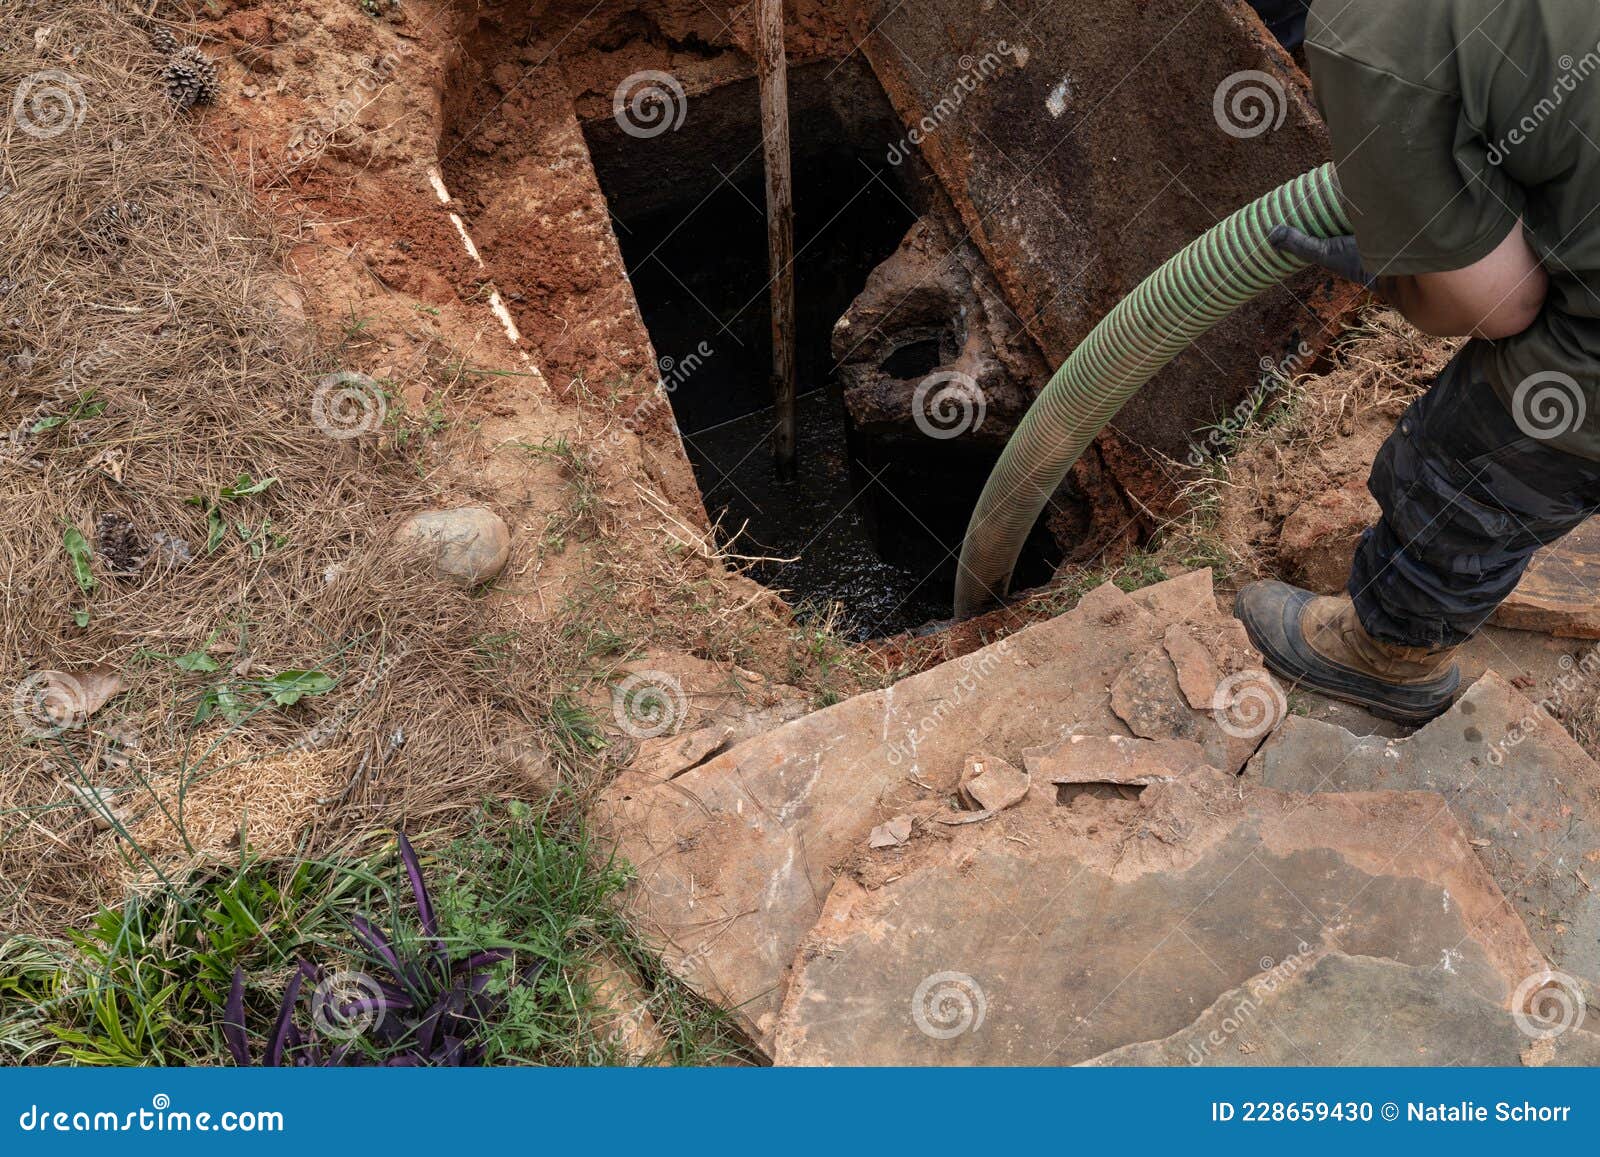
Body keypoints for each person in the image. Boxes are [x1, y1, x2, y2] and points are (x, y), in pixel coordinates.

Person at [1234, 0, 1600, 723]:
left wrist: (1403, 273)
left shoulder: (1367, 28)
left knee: (1472, 452)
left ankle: (1388, 653)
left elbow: (1500, 305)